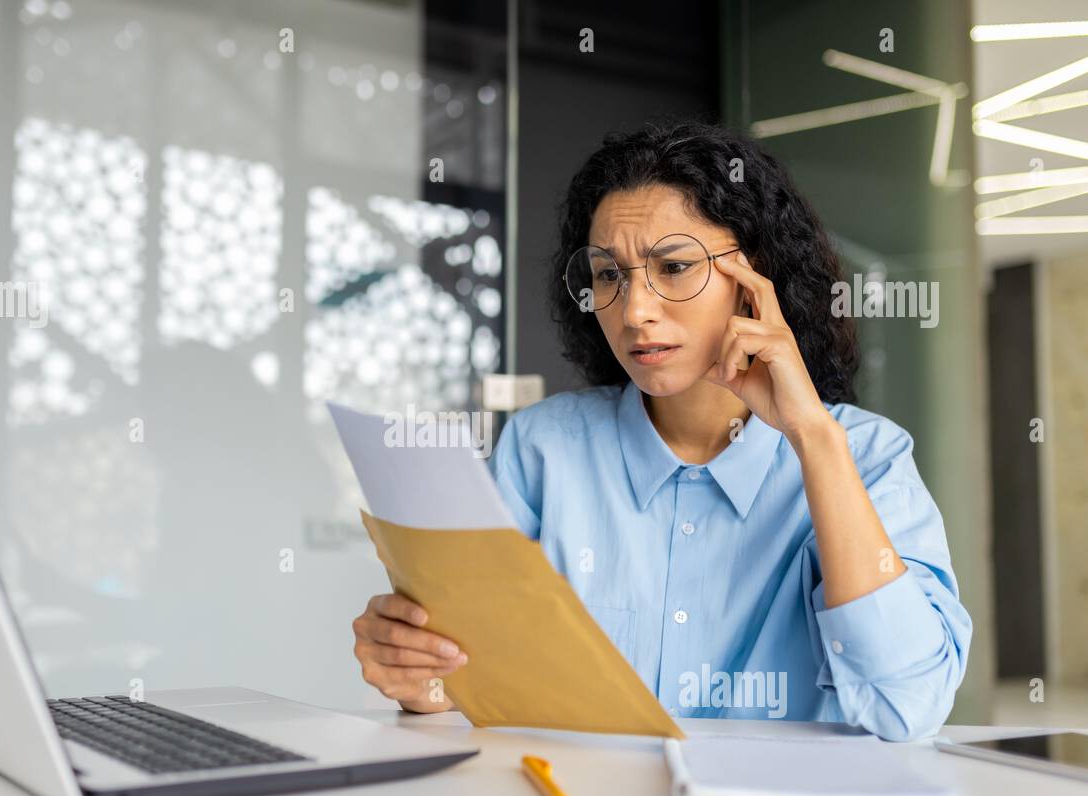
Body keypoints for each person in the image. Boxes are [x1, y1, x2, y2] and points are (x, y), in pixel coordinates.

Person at [351, 121, 971, 742]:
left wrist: (813, 438)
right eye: (609, 275)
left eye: (673, 267)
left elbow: (906, 706)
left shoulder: (866, 455)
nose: (636, 310)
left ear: (759, 279)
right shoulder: (542, 449)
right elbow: (480, 676)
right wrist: (426, 676)